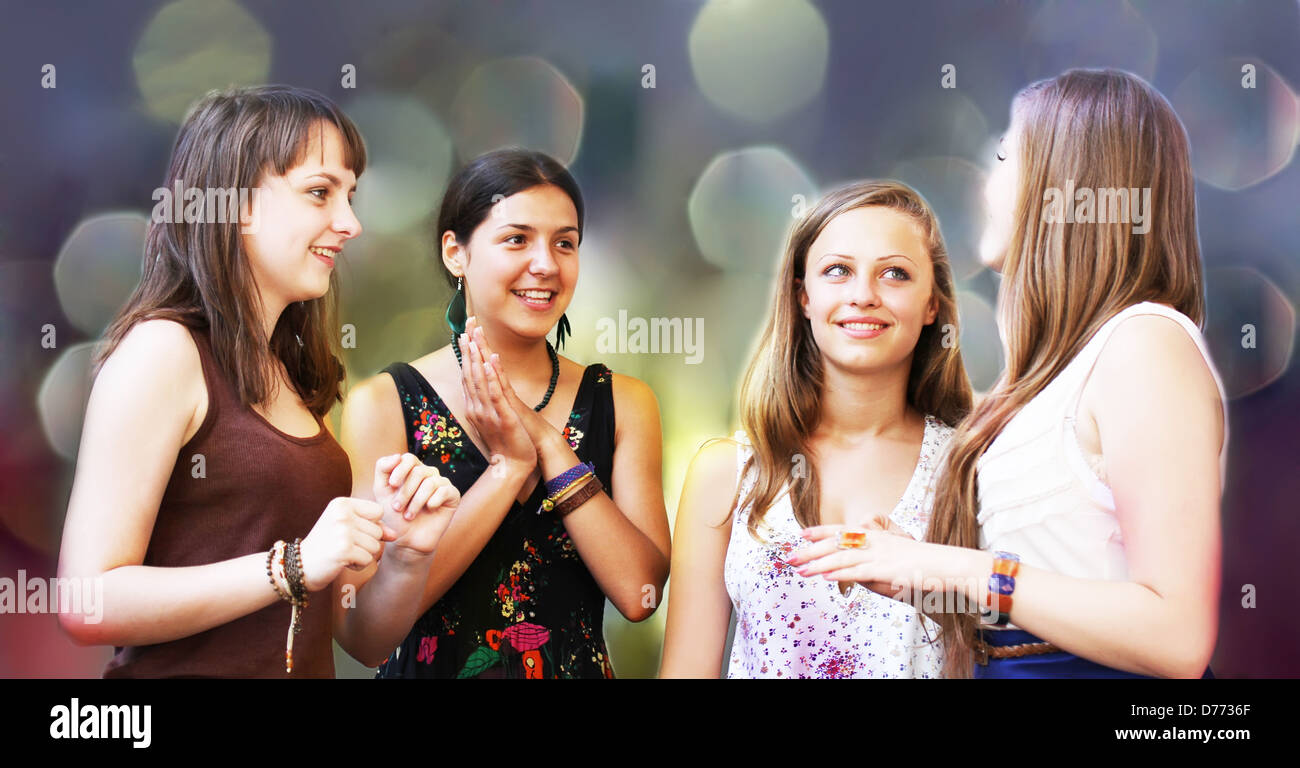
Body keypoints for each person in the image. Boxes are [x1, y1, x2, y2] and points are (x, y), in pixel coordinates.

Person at [788, 69, 1225, 679]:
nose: (983, 181)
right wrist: (916, 571)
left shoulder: (1144, 343)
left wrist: (954, 568)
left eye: (1001, 154)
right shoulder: (1053, 376)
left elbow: (1176, 637)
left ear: (1067, 183)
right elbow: (1047, 601)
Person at [57, 85, 457, 678]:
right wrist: (292, 566)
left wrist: (407, 555)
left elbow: (363, 644)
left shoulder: (291, 371)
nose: (349, 224)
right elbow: (85, 602)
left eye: (350, 196)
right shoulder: (164, 351)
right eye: (319, 193)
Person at [339, 148, 671, 678]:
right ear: (456, 252)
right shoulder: (385, 403)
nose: (545, 264)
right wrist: (508, 469)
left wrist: (546, 442)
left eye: (565, 243)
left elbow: (640, 595)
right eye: (517, 239)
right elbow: (366, 634)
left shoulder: (623, 402)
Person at [660, 180, 973, 678]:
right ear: (803, 297)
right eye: (838, 271)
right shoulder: (727, 474)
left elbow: (1015, 644)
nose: (864, 296)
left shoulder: (972, 467)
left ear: (932, 304)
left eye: (894, 273)